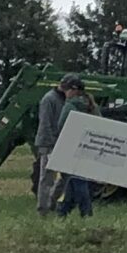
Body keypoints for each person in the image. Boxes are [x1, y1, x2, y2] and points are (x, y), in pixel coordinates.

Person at [34, 76, 94, 216]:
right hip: (49, 144)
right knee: (47, 178)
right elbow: (45, 124)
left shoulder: (65, 100)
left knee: (65, 178)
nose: (77, 96)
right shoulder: (49, 99)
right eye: (76, 93)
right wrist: (52, 145)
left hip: (62, 142)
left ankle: (53, 204)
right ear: (71, 89)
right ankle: (43, 210)